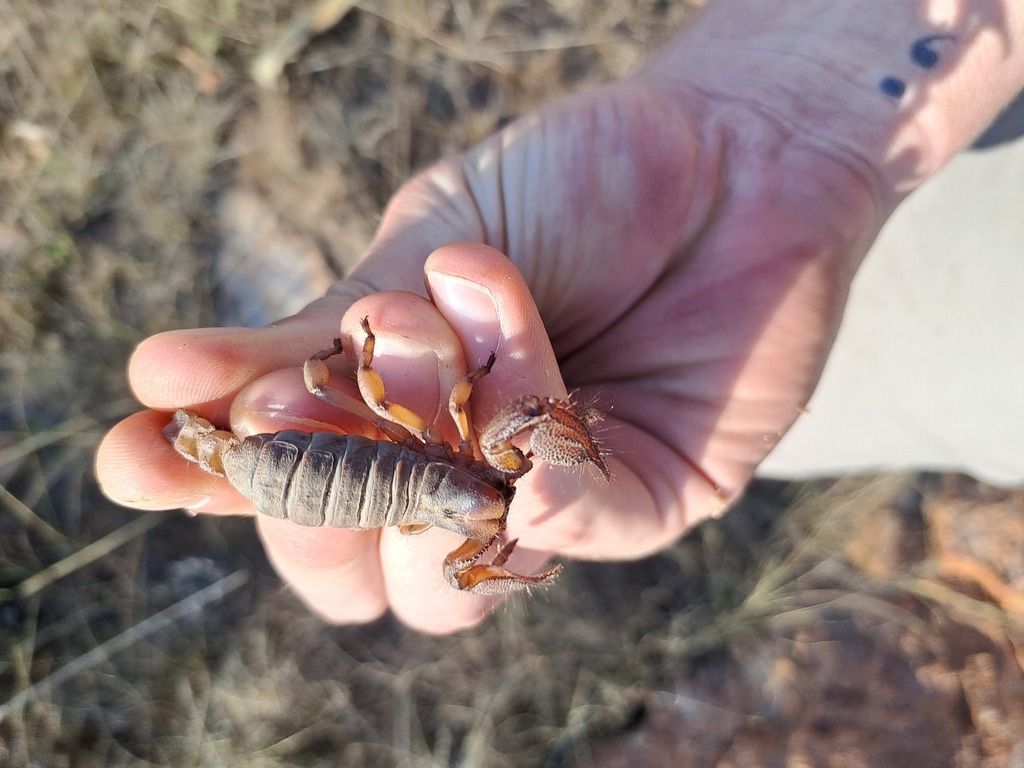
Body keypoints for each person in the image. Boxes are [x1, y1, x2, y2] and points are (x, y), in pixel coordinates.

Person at [96, 0, 1024, 633]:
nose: (502, 502)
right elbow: (467, 494)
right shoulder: (465, 462)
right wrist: (770, 130)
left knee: (368, 406)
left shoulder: (454, 467)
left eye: (496, 512)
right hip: (338, 473)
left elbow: (451, 484)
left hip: (347, 473)